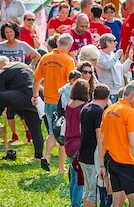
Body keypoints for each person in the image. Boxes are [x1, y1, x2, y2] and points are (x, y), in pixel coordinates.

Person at [0, 57, 48, 168]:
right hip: (37, 95)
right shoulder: (22, 65)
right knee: (35, 128)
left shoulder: (3, 71)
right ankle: (38, 155)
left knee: (0, 98)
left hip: (24, 94)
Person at [33, 34, 76, 174]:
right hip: (62, 102)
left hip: (47, 100)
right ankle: (61, 167)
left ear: (57, 42)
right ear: (69, 46)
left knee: (52, 131)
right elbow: (72, 82)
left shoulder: (45, 57)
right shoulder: (68, 60)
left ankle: (46, 156)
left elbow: (36, 79)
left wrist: (35, 95)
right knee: (63, 133)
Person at [80, 83, 110, 207]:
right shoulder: (99, 112)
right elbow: (100, 137)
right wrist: (102, 159)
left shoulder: (85, 108)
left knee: (87, 190)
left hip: (83, 152)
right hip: (92, 155)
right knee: (93, 193)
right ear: (106, 98)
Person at [63, 79, 90, 207]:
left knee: (74, 178)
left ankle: (75, 206)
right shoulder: (84, 107)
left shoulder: (69, 104)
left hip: (69, 144)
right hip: (79, 145)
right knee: (80, 180)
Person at [95, 34, 132, 100]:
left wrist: (129, 60)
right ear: (107, 42)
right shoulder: (99, 55)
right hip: (108, 91)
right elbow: (107, 65)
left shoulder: (113, 55)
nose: (116, 43)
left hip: (119, 91)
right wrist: (117, 56)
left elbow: (121, 71)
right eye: (114, 41)